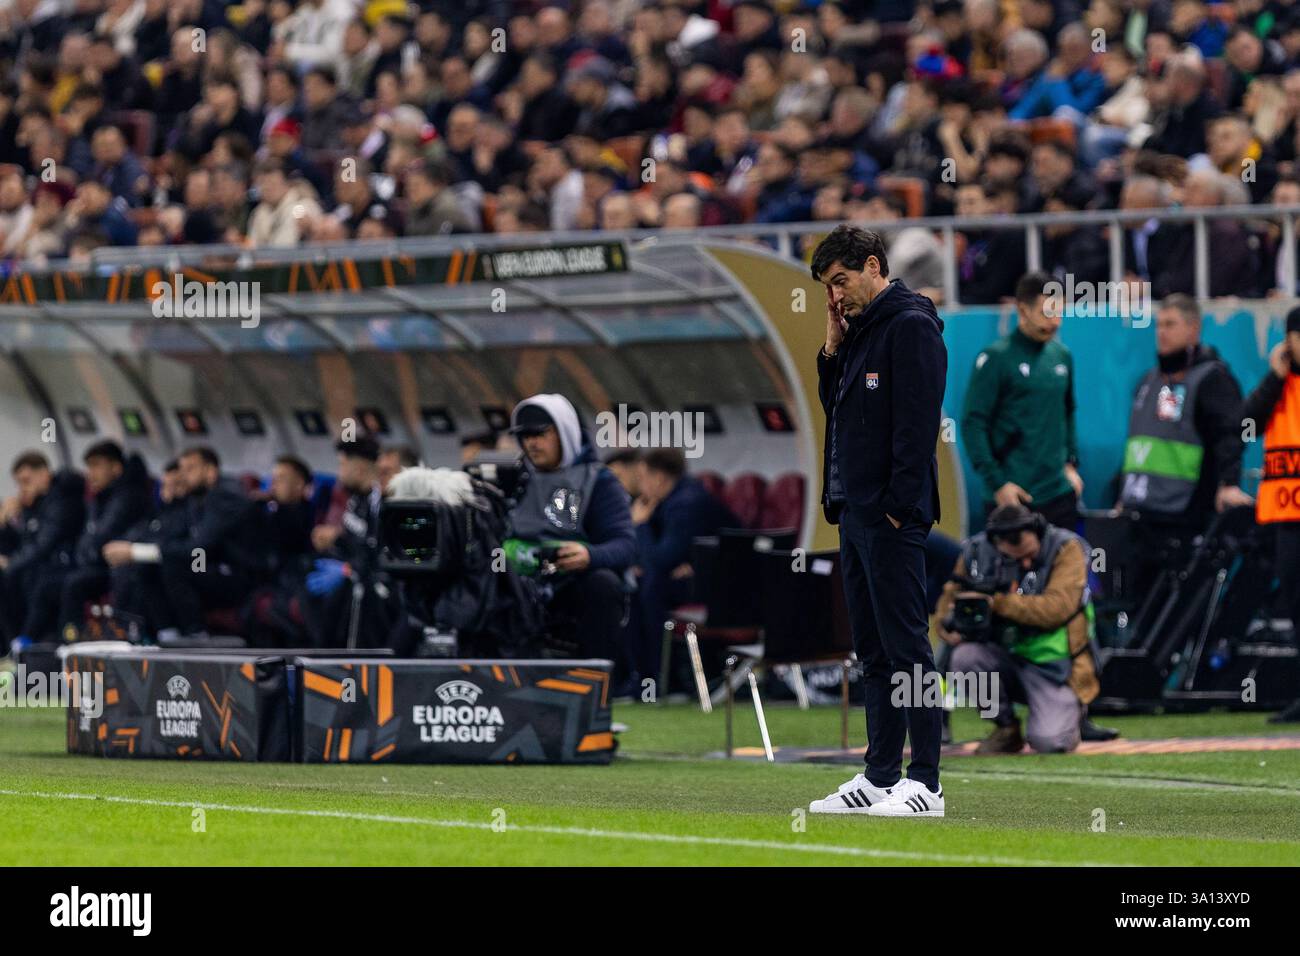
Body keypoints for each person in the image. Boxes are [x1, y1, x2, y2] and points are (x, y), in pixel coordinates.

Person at [806, 224, 948, 818]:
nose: (834, 296)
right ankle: (881, 774)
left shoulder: (911, 326)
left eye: (840, 281)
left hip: (890, 516)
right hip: (855, 513)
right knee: (873, 650)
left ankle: (928, 782)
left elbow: (917, 430)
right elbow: (837, 411)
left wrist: (894, 508)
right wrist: (832, 347)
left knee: (907, 646)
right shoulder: (859, 332)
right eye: (826, 288)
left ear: (871, 265)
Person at [937, 504, 1101, 753]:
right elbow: (950, 597)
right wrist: (951, 623)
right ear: (997, 545)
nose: (1025, 562)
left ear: (1037, 532)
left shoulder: (1066, 548)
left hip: (1056, 667)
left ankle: (1071, 713)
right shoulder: (976, 551)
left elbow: (1056, 609)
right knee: (965, 656)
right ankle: (1006, 728)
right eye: (1016, 557)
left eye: (1029, 556)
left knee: (1050, 742)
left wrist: (996, 603)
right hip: (1004, 656)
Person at [504, 394, 637, 660]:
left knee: (603, 584)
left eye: (541, 434)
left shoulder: (598, 480)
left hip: (573, 582)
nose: (531, 442)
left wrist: (590, 556)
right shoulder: (511, 479)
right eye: (525, 435)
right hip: (518, 580)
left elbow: (626, 545)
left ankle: (597, 680)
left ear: (564, 432)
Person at [1118, 293, 1253, 533]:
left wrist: (1229, 483)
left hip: (1187, 512)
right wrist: (1123, 494)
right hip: (1139, 510)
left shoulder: (1213, 379)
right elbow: (1138, 445)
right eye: (1159, 325)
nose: (1161, 332)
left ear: (1193, 329)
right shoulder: (1148, 381)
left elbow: (1230, 435)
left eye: (1170, 324)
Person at [961, 271, 1084, 530]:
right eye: (1046, 313)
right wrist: (997, 484)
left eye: (1059, 312)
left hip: (1058, 494)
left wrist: (1071, 464)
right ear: (1022, 310)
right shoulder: (995, 358)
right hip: (1012, 496)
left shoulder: (1062, 356)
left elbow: (1068, 410)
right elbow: (973, 423)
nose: (1055, 322)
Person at [102, 446, 260, 642]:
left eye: (190, 469)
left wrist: (135, 551)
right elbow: (181, 542)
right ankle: (167, 634)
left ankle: (196, 635)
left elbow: (199, 547)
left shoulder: (225, 496)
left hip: (237, 573)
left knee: (173, 566)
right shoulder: (197, 498)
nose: (184, 476)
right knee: (151, 566)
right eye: (182, 470)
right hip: (207, 563)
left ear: (210, 471)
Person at [627, 448, 738, 688]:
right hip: (701, 578)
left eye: (642, 478)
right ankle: (642, 677)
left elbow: (661, 559)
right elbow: (656, 557)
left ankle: (659, 679)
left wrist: (641, 525)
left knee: (652, 586)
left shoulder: (687, 503)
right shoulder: (667, 502)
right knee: (634, 583)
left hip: (727, 585)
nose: (639, 486)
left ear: (659, 477)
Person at [27, 440, 152, 642]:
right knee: (46, 583)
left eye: (96, 465)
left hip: (116, 567)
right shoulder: (97, 498)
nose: (90, 473)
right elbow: (88, 537)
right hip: (94, 564)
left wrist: (88, 554)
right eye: (88, 466)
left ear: (116, 468)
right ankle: (30, 643)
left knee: (74, 584)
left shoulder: (128, 496)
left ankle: (71, 642)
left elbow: (102, 535)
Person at [1241, 307, 1300, 724]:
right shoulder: (1279, 384)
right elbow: (1246, 425)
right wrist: (1274, 377)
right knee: (1295, 604)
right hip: (1285, 511)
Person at [0, 450, 86, 655]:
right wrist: (9, 521)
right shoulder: (37, 503)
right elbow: (26, 541)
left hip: (64, 563)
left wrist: (10, 564)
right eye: (19, 483)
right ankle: (11, 645)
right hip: (43, 565)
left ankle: (23, 644)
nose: (22, 488)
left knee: (22, 576)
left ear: (45, 473)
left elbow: (43, 544)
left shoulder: (64, 499)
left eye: (26, 480)